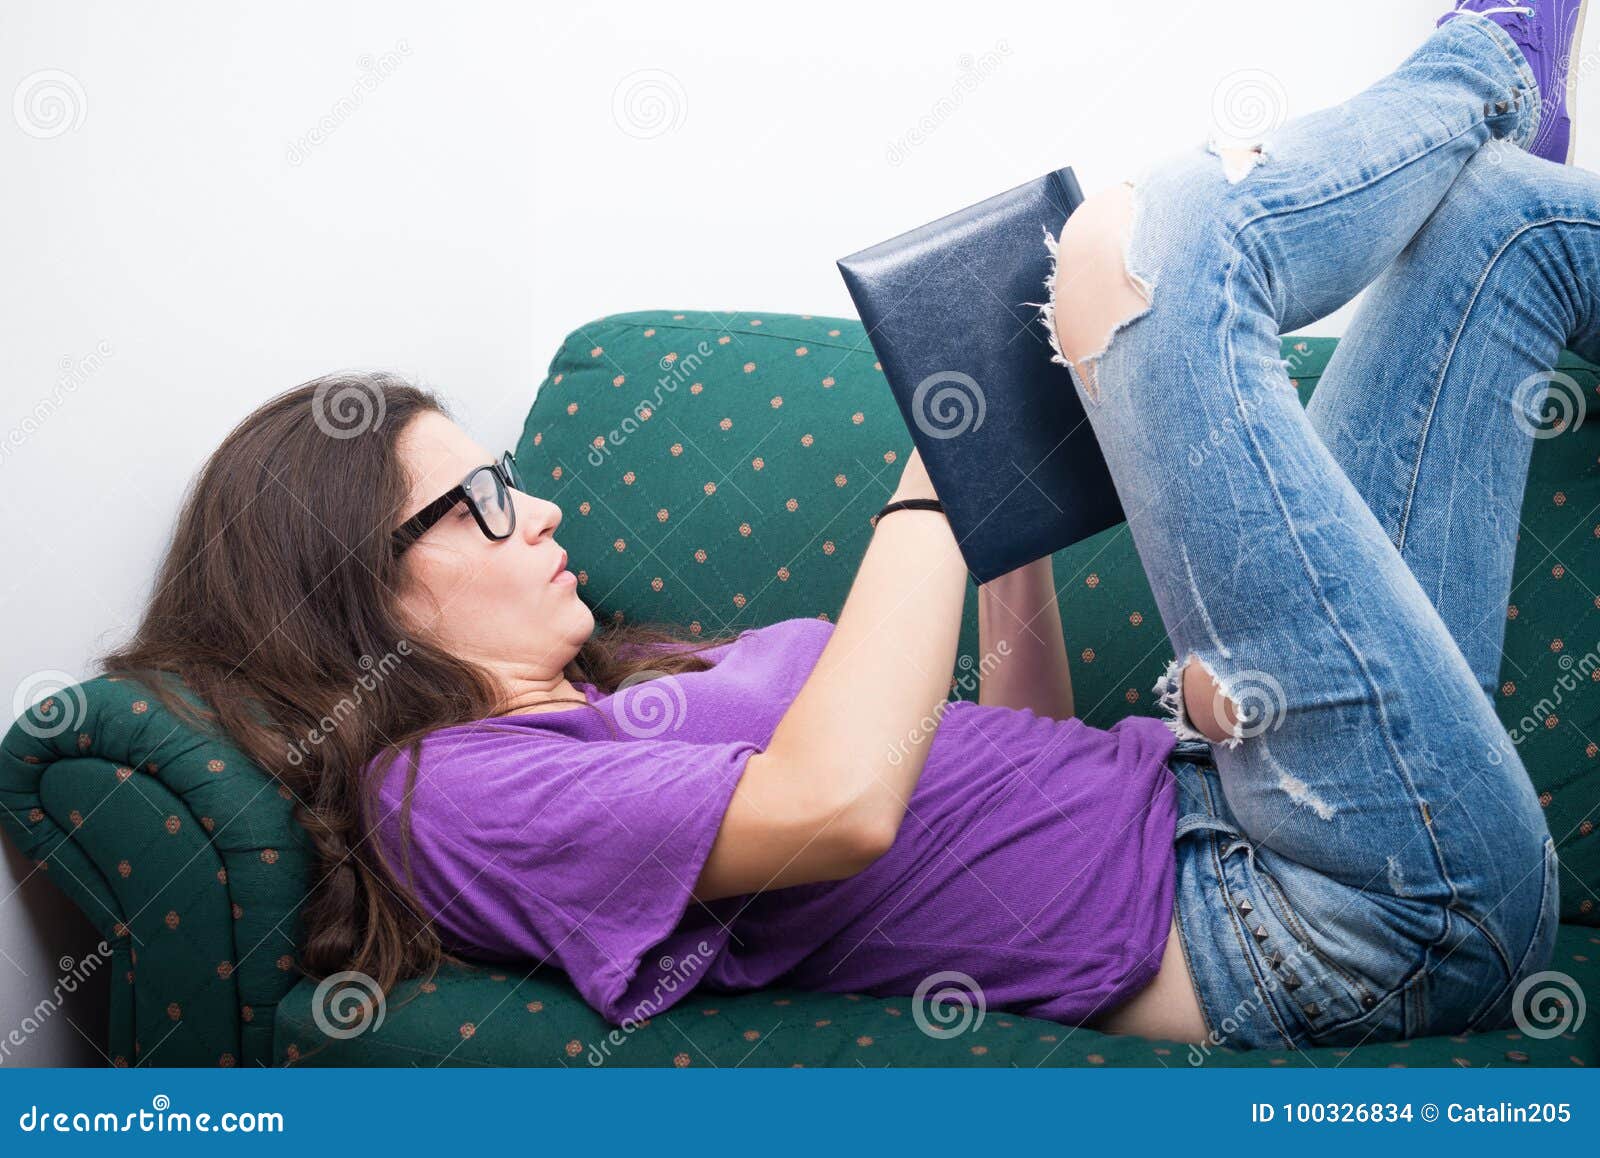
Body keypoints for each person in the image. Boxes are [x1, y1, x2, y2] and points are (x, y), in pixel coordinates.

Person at [103, 0, 1587, 1054]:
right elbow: (841, 805)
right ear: (360, 593)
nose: (538, 501)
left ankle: (1501, 111)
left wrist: (1008, 525)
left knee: (1502, 232)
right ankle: (1485, 60)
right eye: (482, 497)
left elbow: (1007, 777)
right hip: (1334, 908)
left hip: (1247, 792)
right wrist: (938, 452)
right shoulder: (449, 797)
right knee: (1137, 255)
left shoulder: (641, 686)